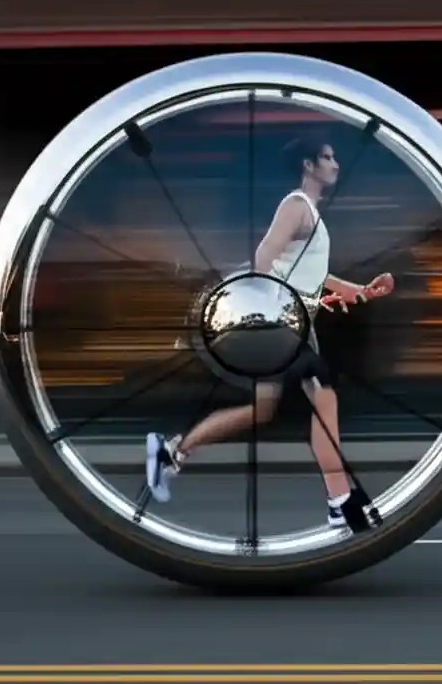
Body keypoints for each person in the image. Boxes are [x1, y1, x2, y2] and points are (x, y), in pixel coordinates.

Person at [145, 134, 395, 528]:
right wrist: (272, 312)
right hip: (281, 328)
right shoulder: (296, 206)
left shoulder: (311, 212)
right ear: (308, 165)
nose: (335, 164)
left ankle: (173, 451)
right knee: (324, 399)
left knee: (263, 409)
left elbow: (313, 274)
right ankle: (339, 501)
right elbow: (264, 257)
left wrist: (359, 291)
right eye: (328, 157)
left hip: (290, 326)